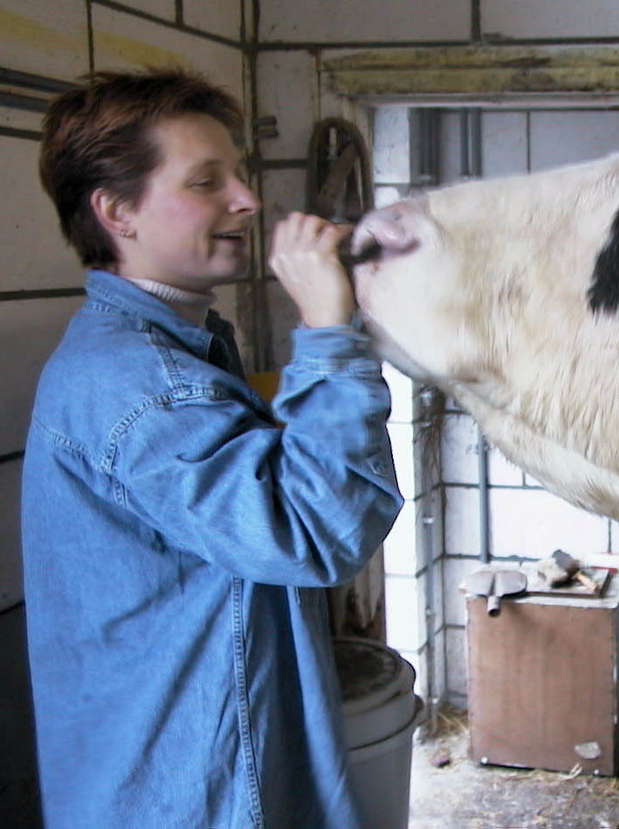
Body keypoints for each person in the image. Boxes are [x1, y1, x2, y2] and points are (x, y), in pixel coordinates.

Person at [21, 68, 403, 827]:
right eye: (206, 182)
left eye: (238, 174)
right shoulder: (142, 384)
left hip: (167, 767)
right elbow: (314, 534)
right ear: (117, 212)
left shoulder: (170, 352)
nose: (247, 200)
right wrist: (327, 332)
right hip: (194, 790)